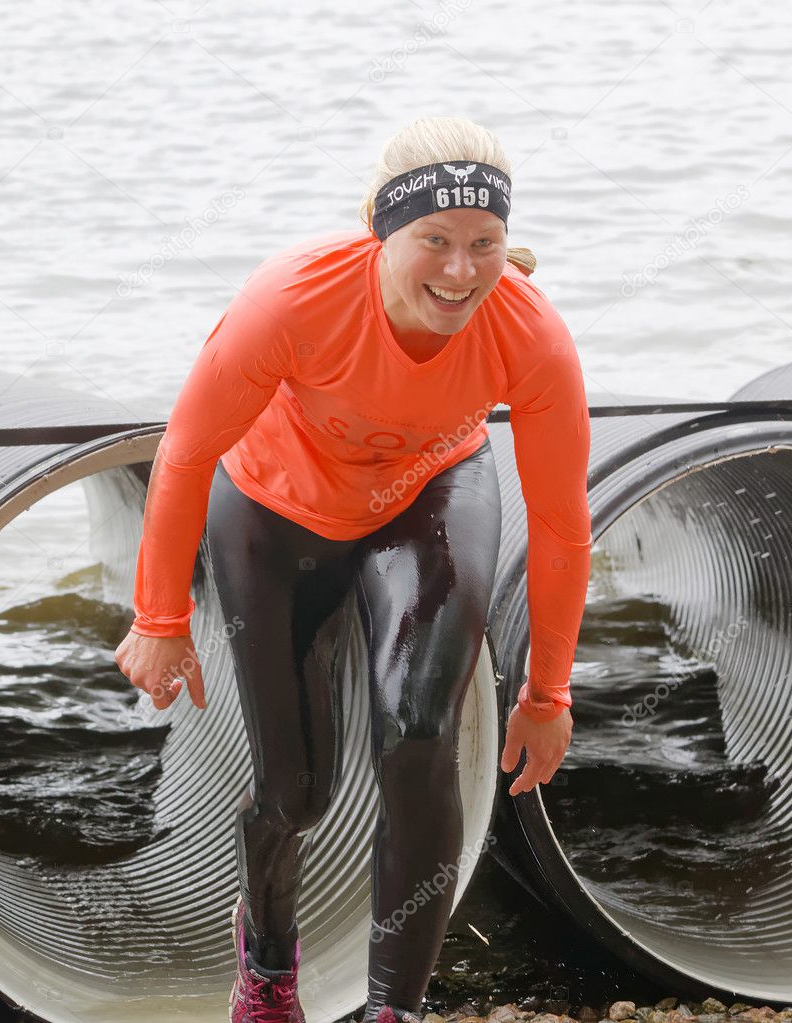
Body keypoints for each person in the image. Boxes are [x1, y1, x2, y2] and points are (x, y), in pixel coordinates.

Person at [114, 115, 592, 1023]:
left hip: (430, 498)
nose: (461, 272)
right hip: (275, 509)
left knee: (419, 736)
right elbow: (185, 452)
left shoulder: (530, 335)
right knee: (295, 791)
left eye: (485, 244)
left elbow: (565, 527)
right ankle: (266, 966)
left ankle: (392, 1009)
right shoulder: (294, 298)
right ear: (381, 226)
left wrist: (549, 691)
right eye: (435, 241)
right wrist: (160, 619)